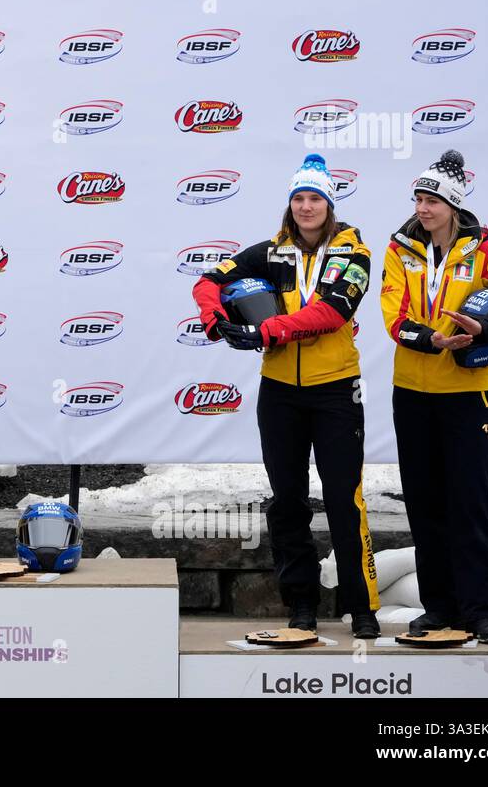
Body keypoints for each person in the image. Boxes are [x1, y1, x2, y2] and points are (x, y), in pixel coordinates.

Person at [193, 153, 380, 638]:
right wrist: (215, 321)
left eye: (315, 197)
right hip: (279, 394)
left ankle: (362, 608)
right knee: (288, 501)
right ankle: (300, 604)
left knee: (344, 499)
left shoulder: (352, 253)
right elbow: (209, 280)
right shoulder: (273, 252)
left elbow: (331, 313)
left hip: (336, 390)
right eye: (298, 198)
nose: (305, 206)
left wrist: (267, 331)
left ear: (330, 204)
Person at [381, 150, 488, 644]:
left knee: (470, 503)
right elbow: (394, 314)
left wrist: (484, 328)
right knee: (426, 503)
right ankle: (440, 609)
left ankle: (479, 610)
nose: (423, 208)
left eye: (432, 199)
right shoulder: (399, 249)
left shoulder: (486, 249)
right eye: (419, 198)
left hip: (467, 394)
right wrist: (429, 339)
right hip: (411, 391)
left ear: (453, 205)